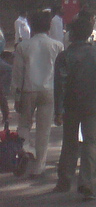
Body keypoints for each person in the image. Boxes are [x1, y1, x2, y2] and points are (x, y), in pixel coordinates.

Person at [51, 15, 96, 200]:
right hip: (91, 103)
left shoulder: (64, 56)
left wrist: (58, 111)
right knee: (91, 142)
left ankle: (65, 180)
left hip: (71, 104)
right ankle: (87, 182)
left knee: (70, 142)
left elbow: (60, 85)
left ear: (71, 34)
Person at [11, 10, 64, 178]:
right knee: (44, 130)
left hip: (28, 89)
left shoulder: (23, 46)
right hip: (49, 90)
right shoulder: (57, 46)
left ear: (31, 27)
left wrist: (16, 96)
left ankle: (27, 149)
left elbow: (18, 74)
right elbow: (60, 74)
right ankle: (39, 166)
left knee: (24, 125)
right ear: (49, 27)